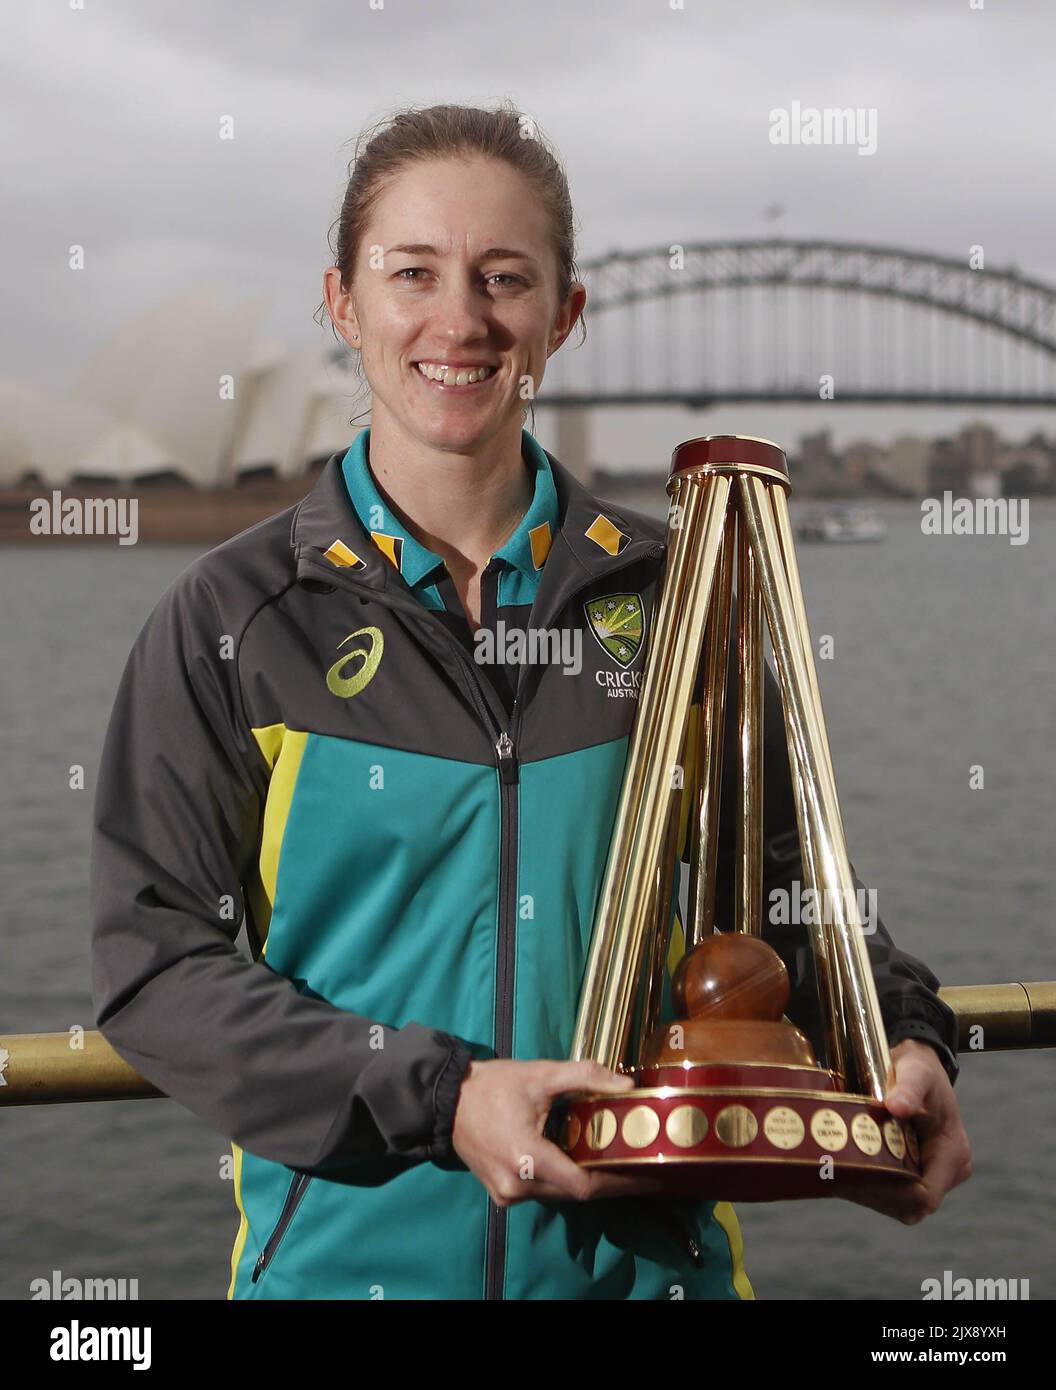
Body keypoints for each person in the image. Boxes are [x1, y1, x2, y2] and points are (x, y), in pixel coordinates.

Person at [89, 102, 971, 1302]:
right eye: (414, 274)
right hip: (338, 1278)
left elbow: (785, 895)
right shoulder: (233, 618)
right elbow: (154, 968)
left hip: (649, 1280)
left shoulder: (685, 593)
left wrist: (906, 1035)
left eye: (505, 279)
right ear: (344, 303)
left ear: (563, 318)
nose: (460, 320)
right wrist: (444, 1097)